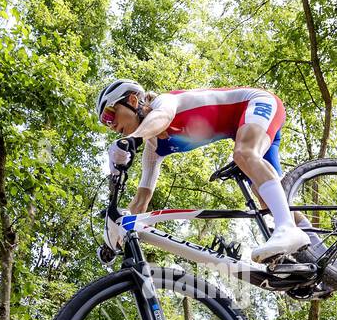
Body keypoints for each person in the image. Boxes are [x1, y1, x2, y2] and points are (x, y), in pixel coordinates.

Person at [96, 80, 312, 263]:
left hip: (256, 103)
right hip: (241, 128)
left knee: (244, 153)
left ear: (133, 101)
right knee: (266, 197)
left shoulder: (164, 102)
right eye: (106, 123)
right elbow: (141, 200)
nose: (110, 125)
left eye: (110, 114)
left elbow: (162, 117)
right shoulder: (153, 149)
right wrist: (116, 235)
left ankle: (287, 229)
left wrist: (132, 139)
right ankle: (320, 257)